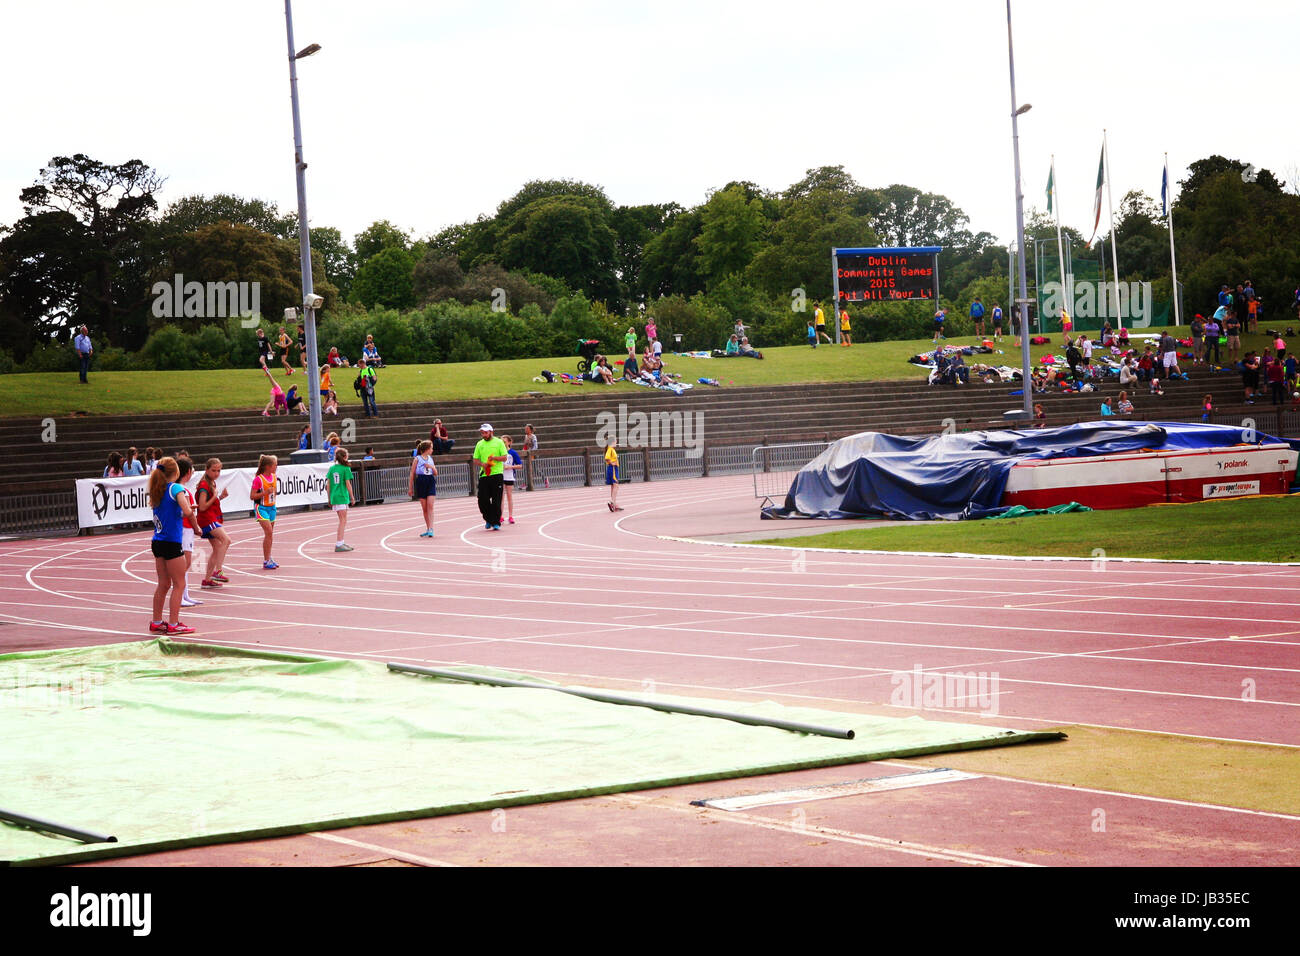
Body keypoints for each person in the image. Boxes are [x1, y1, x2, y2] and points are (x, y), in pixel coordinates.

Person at [148, 456, 196, 636]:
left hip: (158, 541)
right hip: (172, 542)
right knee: (179, 583)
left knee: (163, 584)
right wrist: (190, 510)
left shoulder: (157, 490)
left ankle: (157, 621)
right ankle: (174, 623)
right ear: (176, 472)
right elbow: (186, 510)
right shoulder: (176, 488)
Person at [194, 458, 231, 589]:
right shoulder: (204, 485)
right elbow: (202, 506)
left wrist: (220, 497)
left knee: (217, 549)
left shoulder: (211, 483)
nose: (216, 473)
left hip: (211, 518)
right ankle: (218, 571)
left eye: (219, 470)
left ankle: (207, 580)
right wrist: (216, 496)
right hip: (207, 519)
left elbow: (211, 502)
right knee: (226, 540)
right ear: (207, 470)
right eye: (213, 470)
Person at [174, 457, 202, 609]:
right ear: (188, 472)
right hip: (185, 529)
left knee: (186, 563)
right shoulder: (181, 489)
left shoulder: (183, 488)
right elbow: (187, 512)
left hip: (186, 529)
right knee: (185, 563)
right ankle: (181, 595)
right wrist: (196, 527)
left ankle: (185, 595)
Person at [473, 424, 508, 530]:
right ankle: (488, 519)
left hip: (496, 474)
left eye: (485, 432)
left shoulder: (499, 442)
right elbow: (475, 459)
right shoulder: (479, 444)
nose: (484, 434)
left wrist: (494, 458)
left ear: (491, 432)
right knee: (482, 500)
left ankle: (495, 522)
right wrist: (482, 464)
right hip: (484, 475)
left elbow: (505, 457)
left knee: (496, 499)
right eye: (482, 433)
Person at [250, 454, 279, 570]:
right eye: (275, 465)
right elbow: (252, 496)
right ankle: (266, 560)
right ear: (268, 466)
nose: (276, 467)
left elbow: (275, 492)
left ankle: (269, 557)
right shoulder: (258, 479)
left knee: (270, 534)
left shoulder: (274, 477)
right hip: (261, 507)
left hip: (272, 507)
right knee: (268, 532)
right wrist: (265, 493)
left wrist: (273, 494)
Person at [327, 448, 355, 552]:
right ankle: (339, 543)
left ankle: (341, 542)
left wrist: (329, 498)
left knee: (342, 520)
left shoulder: (332, 468)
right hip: (342, 496)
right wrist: (352, 497)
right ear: (344, 457)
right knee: (343, 521)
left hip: (335, 496)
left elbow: (328, 485)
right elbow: (348, 484)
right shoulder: (345, 469)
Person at [408, 440, 438, 537]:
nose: (432, 450)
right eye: (431, 448)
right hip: (421, 481)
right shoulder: (417, 459)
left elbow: (436, 473)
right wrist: (410, 488)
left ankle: (431, 528)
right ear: (427, 449)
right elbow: (412, 473)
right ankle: (428, 527)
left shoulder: (430, 459)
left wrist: (431, 467)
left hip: (430, 481)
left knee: (430, 506)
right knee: (424, 508)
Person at [502, 434, 522, 525]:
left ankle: (510, 516)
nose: (503, 443)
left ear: (509, 442)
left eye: (504, 442)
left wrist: (510, 467)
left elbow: (520, 465)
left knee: (509, 497)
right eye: (501, 442)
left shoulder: (513, 453)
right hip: (500, 477)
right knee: (500, 497)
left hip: (509, 477)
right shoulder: (499, 452)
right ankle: (500, 516)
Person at [605, 441, 622, 511]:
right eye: (615, 441)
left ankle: (614, 503)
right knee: (616, 485)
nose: (616, 442)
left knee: (613, 486)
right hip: (613, 469)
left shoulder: (611, 449)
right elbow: (607, 458)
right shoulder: (610, 449)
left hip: (612, 468)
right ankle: (612, 502)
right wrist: (612, 463)